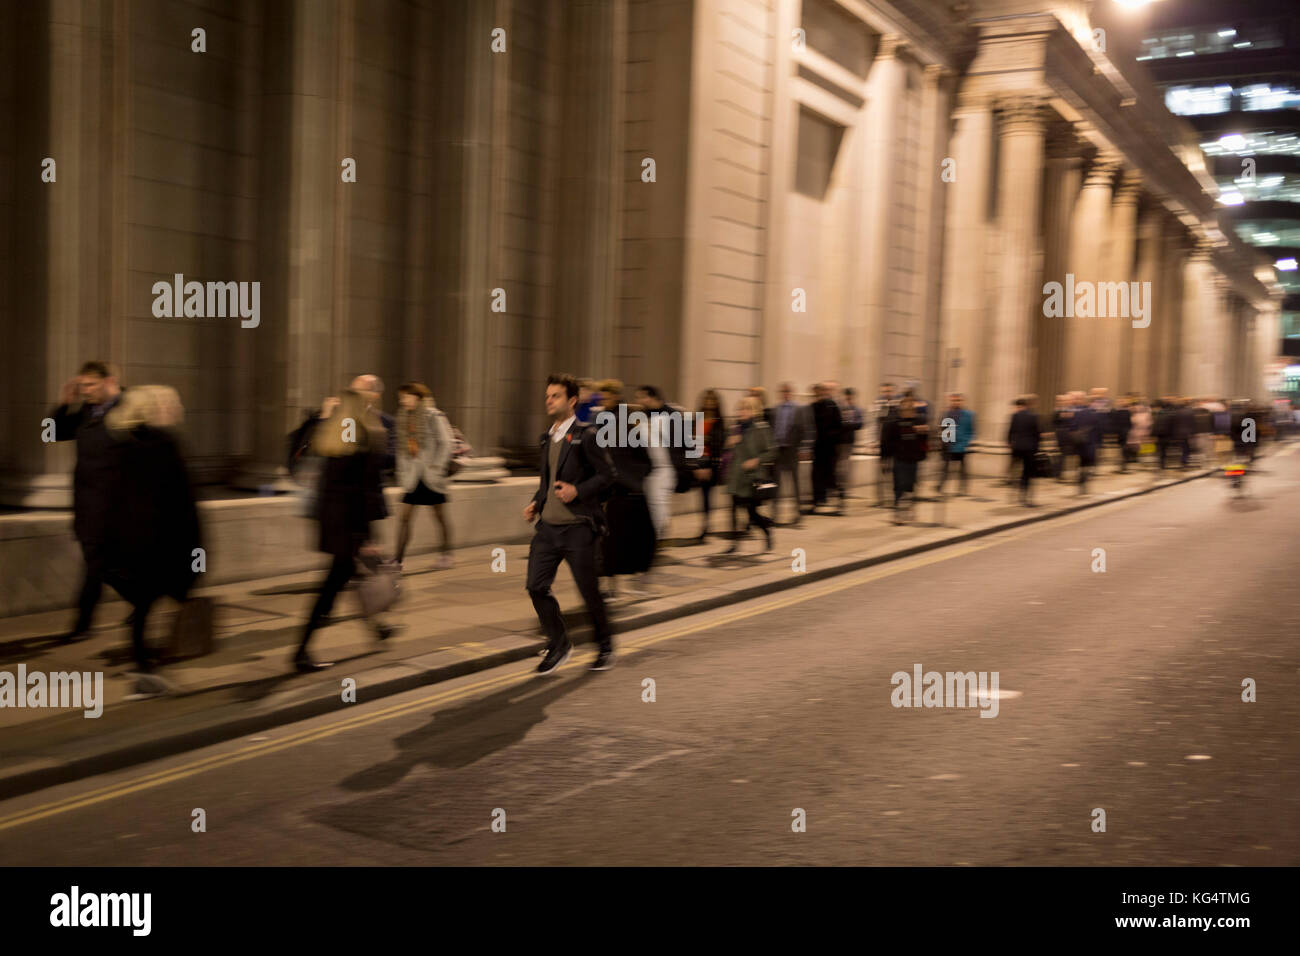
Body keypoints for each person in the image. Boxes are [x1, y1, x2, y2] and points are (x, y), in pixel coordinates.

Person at [101, 386, 202, 696]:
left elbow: (112, 499)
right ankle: (149, 670)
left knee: (144, 606)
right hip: (162, 541)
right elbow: (184, 501)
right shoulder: (166, 444)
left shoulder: (120, 446)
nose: (173, 408)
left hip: (131, 542)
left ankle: (145, 667)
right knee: (163, 599)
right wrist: (198, 549)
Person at [293, 388, 396, 672]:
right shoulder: (364, 440)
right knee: (331, 589)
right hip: (351, 529)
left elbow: (330, 490)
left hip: (333, 525)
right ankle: (300, 652)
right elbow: (365, 494)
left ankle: (378, 628)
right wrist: (366, 537)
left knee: (350, 581)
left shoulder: (333, 440)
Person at [524, 373, 619, 674]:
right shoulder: (546, 437)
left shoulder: (587, 434)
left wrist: (579, 490)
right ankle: (559, 643)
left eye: (556, 396)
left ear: (572, 401)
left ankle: (605, 645)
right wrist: (536, 502)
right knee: (536, 587)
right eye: (547, 395)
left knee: (588, 591)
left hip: (578, 527)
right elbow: (547, 480)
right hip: (548, 528)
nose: (549, 401)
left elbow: (608, 476)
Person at [48, 361, 125, 642]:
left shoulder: (126, 410)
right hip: (87, 505)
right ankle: (142, 600)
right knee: (106, 566)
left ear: (108, 382)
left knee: (95, 566)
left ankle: (82, 625)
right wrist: (62, 405)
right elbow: (50, 434)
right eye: (82, 386)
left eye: (91, 385)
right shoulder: (84, 413)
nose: (85, 391)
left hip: (114, 507)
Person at [594, 383, 655, 599]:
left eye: (605, 397)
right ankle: (612, 587)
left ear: (615, 396)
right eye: (601, 398)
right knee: (609, 540)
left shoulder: (627, 421)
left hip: (627, 491)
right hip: (612, 490)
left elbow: (645, 459)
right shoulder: (603, 420)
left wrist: (630, 478)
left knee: (625, 540)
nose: (602, 401)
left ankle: (623, 585)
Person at [393, 383, 454, 568]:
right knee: (404, 518)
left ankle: (446, 555)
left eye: (406, 397)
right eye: (401, 398)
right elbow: (401, 449)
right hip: (413, 476)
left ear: (417, 397)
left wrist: (437, 466)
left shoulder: (433, 415)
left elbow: (446, 442)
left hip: (431, 476)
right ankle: (397, 560)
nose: (403, 401)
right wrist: (402, 472)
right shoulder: (403, 418)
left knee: (439, 516)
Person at [724, 395, 776, 554]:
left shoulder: (762, 428)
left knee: (751, 513)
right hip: (735, 476)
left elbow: (772, 452)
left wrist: (757, 460)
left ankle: (767, 532)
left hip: (751, 477)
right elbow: (727, 450)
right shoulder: (735, 428)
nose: (742, 411)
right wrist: (729, 443)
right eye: (740, 408)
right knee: (732, 510)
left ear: (754, 411)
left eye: (746, 408)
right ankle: (734, 544)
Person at [634, 385, 677, 541]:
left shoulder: (672, 415)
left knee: (658, 502)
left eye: (641, 397)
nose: (638, 401)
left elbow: (683, 443)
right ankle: (657, 534)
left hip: (666, 467)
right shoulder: (642, 416)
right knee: (653, 503)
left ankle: (659, 536)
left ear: (651, 397)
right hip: (649, 468)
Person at [881, 392, 928, 521]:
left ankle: (909, 507)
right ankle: (897, 511)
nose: (907, 409)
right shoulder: (894, 422)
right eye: (905, 407)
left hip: (913, 458)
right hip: (899, 458)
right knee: (899, 485)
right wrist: (884, 459)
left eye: (910, 407)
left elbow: (924, 441)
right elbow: (886, 441)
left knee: (910, 485)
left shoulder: (919, 420)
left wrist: (923, 433)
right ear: (901, 408)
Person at [769, 383, 807, 525]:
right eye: (783, 391)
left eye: (787, 391)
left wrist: (800, 447)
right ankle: (774, 514)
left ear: (791, 393)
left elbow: (803, 429)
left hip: (792, 450)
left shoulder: (798, 409)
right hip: (778, 450)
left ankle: (797, 513)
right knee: (776, 483)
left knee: (794, 482)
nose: (785, 393)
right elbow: (772, 428)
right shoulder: (775, 409)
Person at [692, 389, 727, 542]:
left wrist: (710, 464)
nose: (709, 403)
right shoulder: (697, 419)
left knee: (707, 496)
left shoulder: (719, 422)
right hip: (698, 461)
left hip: (710, 463)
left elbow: (719, 445)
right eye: (707, 400)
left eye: (713, 400)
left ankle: (706, 526)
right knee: (702, 496)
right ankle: (705, 525)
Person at [810, 381, 843, 512]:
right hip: (817, 446)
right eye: (817, 391)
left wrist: (831, 436)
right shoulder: (812, 406)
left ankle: (837, 498)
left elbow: (839, 425)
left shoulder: (832, 405)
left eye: (822, 391)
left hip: (830, 446)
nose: (820, 394)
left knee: (830, 474)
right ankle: (818, 499)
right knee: (816, 474)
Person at [935, 392, 975, 496]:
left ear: (962, 401)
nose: (956, 402)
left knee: (962, 469)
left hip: (962, 445)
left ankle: (962, 488)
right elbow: (942, 429)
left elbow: (971, 430)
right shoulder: (946, 414)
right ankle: (940, 486)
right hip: (949, 445)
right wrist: (944, 442)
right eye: (953, 400)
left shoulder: (969, 415)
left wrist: (966, 442)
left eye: (958, 400)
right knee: (945, 468)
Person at [1006, 395, 1040, 507]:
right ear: (1025, 406)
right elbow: (1037, 434)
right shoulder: (1034, 416)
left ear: (1018, 406)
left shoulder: (1014, 416)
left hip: (1017, 448)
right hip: (1029, 449)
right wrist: (1036, 448)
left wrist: (1010, 444)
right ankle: (1025, 498)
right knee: (1027, 473)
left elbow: (1010, 432)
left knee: (1015, 470)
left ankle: (1012, 494)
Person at [836, 386, 864, 510]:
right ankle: (838, 489)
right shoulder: (840, 409)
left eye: (850, 397)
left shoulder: (857, 410)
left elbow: (860, 424)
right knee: (838, 467)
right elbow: (836, 423)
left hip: (848, 442)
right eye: (846, 397)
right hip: (838, 441)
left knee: (844, 467)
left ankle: (842, 491)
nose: (848, 399)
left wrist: (847, 424)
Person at [874, 382, 898, 507]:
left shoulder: (898, 407)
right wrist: (874, 441)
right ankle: (881, 499)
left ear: (893, 392)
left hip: (894, 446)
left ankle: (893, 498)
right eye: (884, 391)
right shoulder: (880, 406)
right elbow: (876, 425)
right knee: (881, 474)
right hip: (883, 445)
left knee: (893, 474)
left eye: (889, 391)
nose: (886, 394)